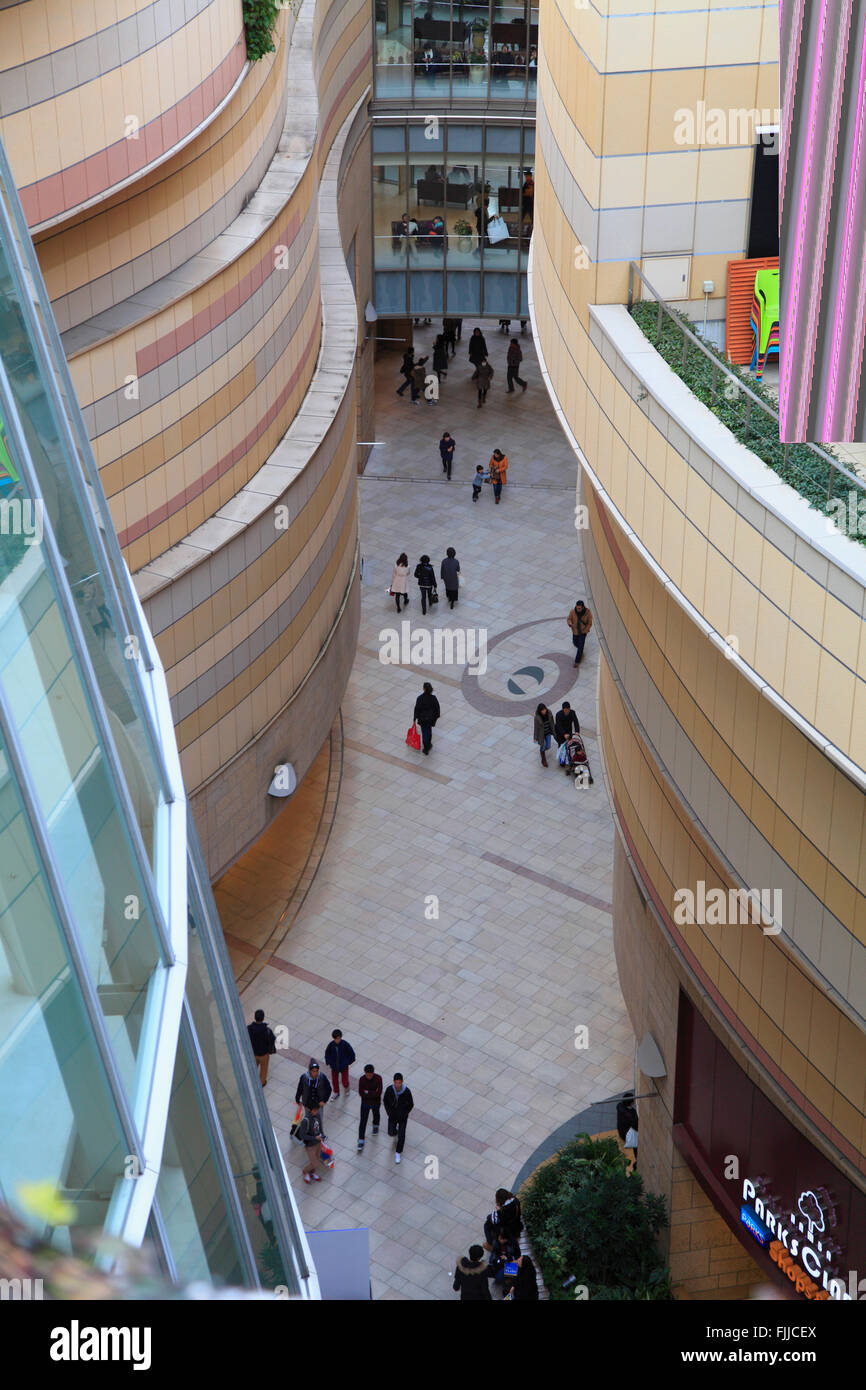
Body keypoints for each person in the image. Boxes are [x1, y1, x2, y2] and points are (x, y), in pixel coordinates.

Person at [383, 1072, 414, 1162]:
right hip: (392, 1116)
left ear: (402, 1082)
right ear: (393, 1082)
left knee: (402, 1135)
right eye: (396, 1083)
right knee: (390, 1132)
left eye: (399, 1083)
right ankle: (395, 1132)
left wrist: (404, 1113)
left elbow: (411, 1104)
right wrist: (389, 1112)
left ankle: (398, 1153)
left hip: (402, 1117)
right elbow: (385, 1101)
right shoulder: (390, 1090)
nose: (397, 1085)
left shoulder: (406, 1091)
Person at [296, 1102, 326, 1184]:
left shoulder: (317, 1116)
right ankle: (305, 1172)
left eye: (317, 1110)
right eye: (315, 1110)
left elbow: (320, 1127)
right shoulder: (305, 1121)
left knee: (317, 1159)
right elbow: (302, 1135)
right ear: (310, 1110)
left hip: (318, 1143)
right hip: (310, 1146)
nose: (317, 1112)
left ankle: (312, 1173)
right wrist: (314, 1138)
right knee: (315, 1163)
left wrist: (322, 1135)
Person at [357, 1063, 383, 1151]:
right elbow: (361, 1093)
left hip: (375, 1102)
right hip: (365, 1103)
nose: (368, 1076)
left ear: (373, 1073)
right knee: (363, 1121)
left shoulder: (378, 1079)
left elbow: (378, 1093)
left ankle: (376, 1125)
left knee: (376, 1114)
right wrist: (372, 1093)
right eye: (367, 1074)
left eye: (370, 1075)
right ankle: (361, 1139)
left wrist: (367, 1092)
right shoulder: (362, 1079)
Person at [247, 1009, 276, 1087]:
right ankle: (262, 1082)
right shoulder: (267, 1031)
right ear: (263, 1018)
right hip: (264, 1054)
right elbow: (272, 1039)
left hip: (253, 1053)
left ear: (254, 1017)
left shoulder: (249, 1029)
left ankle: (251, 1080)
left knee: (253, 1068)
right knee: (263, 1070)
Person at [486, 1227, 521, 1292]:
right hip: (499, 1261)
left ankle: (508, 1284)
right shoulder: (496, 1240)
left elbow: (517, 1256)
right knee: (497, 1278)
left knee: (504, 1279)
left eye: (502, 1239)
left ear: (506, 1239)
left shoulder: (513, 1243)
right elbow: (494, 1253)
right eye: (499, 1237)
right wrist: (498, 1258)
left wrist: (507, 1259)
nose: (499, 1240)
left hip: (510, 1262)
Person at [324, 1028, 356, 1099]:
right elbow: (327, 1054)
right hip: (334, 1067)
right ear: (333, 1038)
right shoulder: (331, 1045)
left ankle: (346, 1088)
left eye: (339, 1038)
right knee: (334, 1080)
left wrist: (347, 1062)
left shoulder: (345, 1044)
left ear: (341, 1037)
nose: (337, 1040)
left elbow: (352, 1054)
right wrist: (329, 1062)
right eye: (336, 1039)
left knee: (344, 1080)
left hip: (344, 1067)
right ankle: (336, 1092)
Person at [413, 681, 440, 755]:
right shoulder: (433, 698)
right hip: (430, 719)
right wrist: (436, 717)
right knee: (429, 731)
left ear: (424, 689)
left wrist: (415, 718)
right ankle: (428, 744)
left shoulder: (420, 698)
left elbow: (417, 708)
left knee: (424, 732)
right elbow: (437, 709)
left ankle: (426, 747)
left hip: (422, 719)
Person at [567, 599, 593, 665]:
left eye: (579, 608)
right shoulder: (572, 612)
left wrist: (586, 630)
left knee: (580, 646)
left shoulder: (588, 613)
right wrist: (570, 623)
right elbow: (569, 618)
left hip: (583, 632)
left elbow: (589, 623)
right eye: (577, 607)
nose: (578, 609)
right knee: (575, 642)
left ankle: (577, 661)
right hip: (575, 631)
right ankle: (580, 650)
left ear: (582, 607)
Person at [617, 1091, 639, 1165]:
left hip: (621, 1130)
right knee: (636, 1143)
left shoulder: (619, 1106)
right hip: (627, 1135)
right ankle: (637, 1159)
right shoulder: (632, 1115)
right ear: (631, 1103)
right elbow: (636, 1127)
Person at [534, 702, 555, 767]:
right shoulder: (537, 717)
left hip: (548, 732)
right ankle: (543, 759)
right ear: (540, 711)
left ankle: (542, 749)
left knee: (548, 746)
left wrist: (554, 731)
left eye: (544, 709)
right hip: (541, 735)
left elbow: (552, 723)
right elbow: (536, 728)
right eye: (542, 710)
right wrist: (535, 737)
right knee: (543, 746)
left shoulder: (549, 713)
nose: (544, 711)